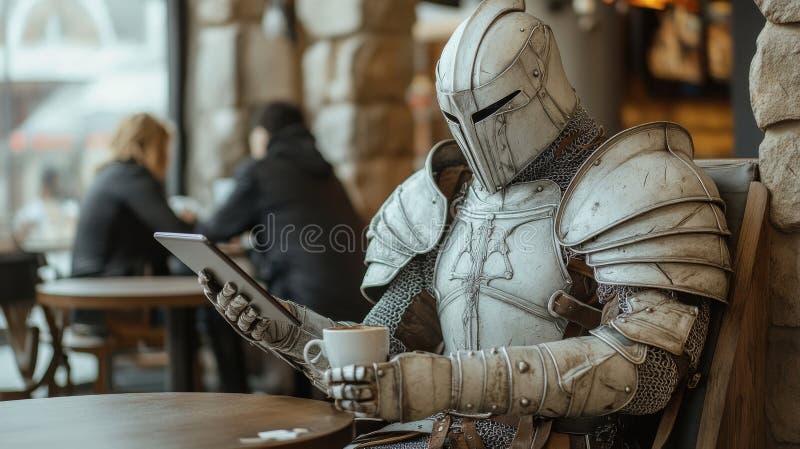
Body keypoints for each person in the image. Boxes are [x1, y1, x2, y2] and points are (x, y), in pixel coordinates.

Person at [198, 1, 730, 448]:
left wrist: (444, 382)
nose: (473, 135)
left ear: (542, 87)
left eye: (490, 110)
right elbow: (390, 352)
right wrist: (290, 331)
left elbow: (645, 369)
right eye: (455, 116)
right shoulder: (447, 196)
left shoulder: (637, 189)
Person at [197, 102, 370, 395]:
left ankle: (234, 404)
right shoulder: (328, 174)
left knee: (217, 310)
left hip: (304, 307)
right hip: (363, 303)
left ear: (262, 135)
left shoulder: (261, 171)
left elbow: (212, 231)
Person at [70, 113, 192, 332]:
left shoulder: (110, 174)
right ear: (153, 146)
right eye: (165, 148)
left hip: (89, 297)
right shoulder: (133, 176)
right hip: (107, 302)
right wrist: (191, 222)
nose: (168, 158)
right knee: (211, 300)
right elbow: (179, 235)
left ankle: (187, 362)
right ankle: (192, 364)